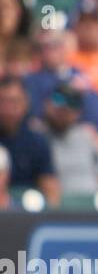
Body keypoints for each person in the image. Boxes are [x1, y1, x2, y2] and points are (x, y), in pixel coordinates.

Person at [0, 76, 59, 205]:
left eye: (14, 102)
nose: (9, 109)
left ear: (26, 103)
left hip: (28, 214)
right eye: (3, 102)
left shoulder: (37, 142)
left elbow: (51, 189)